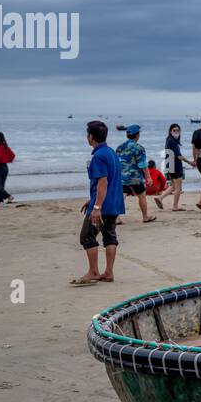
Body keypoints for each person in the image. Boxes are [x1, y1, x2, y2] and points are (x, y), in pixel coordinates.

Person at [72, 120, 124, 286]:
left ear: (91, 137)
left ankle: (93, 272)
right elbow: (110, 180)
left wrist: (96, 207)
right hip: (114, 203)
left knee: (87, 236)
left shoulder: (98, 157)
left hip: (103, 206)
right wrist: (92, 199)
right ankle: (108, 272)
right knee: (109, 236)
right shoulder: (111, 153)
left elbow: (103, 182)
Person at [115, 125, 155, 222]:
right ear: (137, 135)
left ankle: (116, 218)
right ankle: (145, 217)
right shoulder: (139, 148)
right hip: (135, 177)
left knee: (122, 196)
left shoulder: (120, 147)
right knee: (141, 195)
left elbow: (116, 162)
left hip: (122, 176)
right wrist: (148, 177)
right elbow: (143, 165)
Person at [163, 123, 193, 211]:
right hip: (175, 165)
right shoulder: (172, 141)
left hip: (170, 165)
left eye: (178, 130)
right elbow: (179, 156)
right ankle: (175, 206)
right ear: (170, 131)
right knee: (178, 187)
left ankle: (160, 198)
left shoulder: (169, 140)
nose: (176, 132)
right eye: (174, 130)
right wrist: (190, 162)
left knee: (174, 186)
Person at [0, 131, 15, 204]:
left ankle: (9, 196)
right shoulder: (5, 146)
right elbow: (12, 155)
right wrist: (7, 160)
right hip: (5, 167)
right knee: (1, 186)